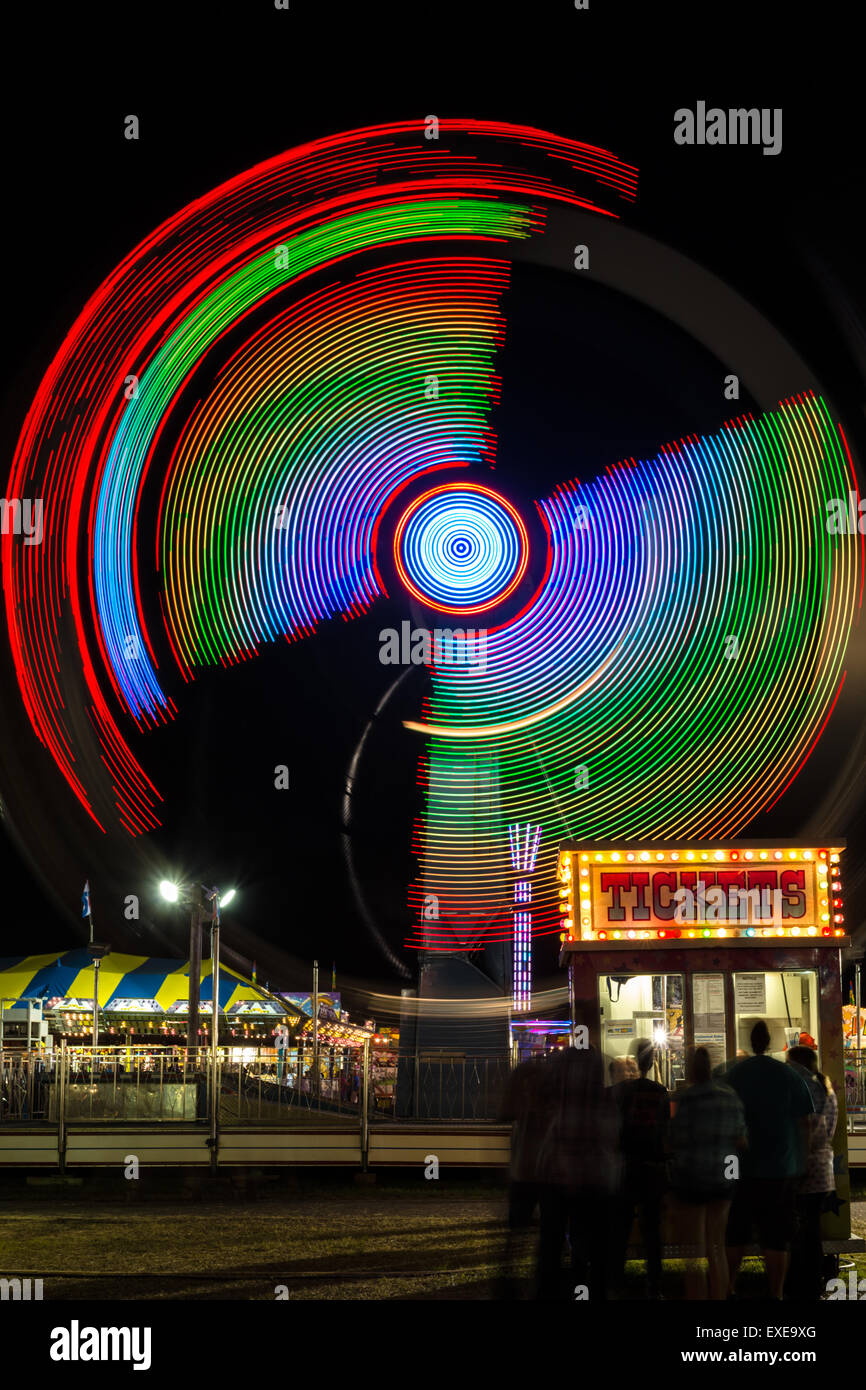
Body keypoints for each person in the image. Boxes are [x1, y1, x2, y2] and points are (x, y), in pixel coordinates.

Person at [725, 1020, 814, 1299]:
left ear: (751, 1041)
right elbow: (805, 1123)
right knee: (777, 1237)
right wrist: (803, 1161)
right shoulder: (789, 1076)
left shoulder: (733, 1075)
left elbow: (724, 1119)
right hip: (781, 1167)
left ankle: (728, 1288)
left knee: (735, 1233)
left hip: (740, 1167)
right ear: (771, 1042)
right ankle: (775, 1293)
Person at [536, 1045, 621, 1301]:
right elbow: (611, 1141)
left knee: (552, 1249)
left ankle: (557, 1287)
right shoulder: (605, 1104)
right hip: (594, 1184)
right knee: (595, 1251)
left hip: (558, 1184)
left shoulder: (556, 1110)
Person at [668, 1046, 747, 1299]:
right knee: (717, 1246)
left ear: (691, 1069)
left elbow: (675, 1139)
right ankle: (720, 1296)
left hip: (692, 1180)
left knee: (694, 1252)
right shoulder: (730, 1095)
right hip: (724, 1180)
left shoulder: (687, 1098)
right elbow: (742, 1140)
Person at [611, 1040, 670, 1299]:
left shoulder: (621, 1092)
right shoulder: (660, 1091)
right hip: (653, 1168)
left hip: (626, 1165)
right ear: (652, 1061)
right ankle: (654, 1283)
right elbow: (665, 1129)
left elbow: (616, 1126)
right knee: (652, 1228)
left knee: (622, 1226)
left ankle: (616, 1279)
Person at [785, 1046, 838, 1300]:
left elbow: (801, 1129)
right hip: (823, 1170)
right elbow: (827, 1131)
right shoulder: (826, 1089)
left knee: (797, 1231)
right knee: (813, 1231)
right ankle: (813, 1285)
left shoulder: (800, 1086)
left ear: (797, 1064)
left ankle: (797, 1285)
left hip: (803, 1167)